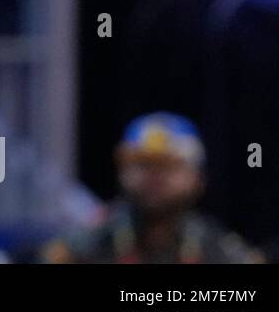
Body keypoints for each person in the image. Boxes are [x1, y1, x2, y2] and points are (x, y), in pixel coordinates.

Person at [41, 112, 260, 264]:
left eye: (169, 167)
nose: (154, 177)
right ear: (121, 172)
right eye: (143, 165)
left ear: (199, 179)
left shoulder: (224, 253)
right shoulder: (80, 249)